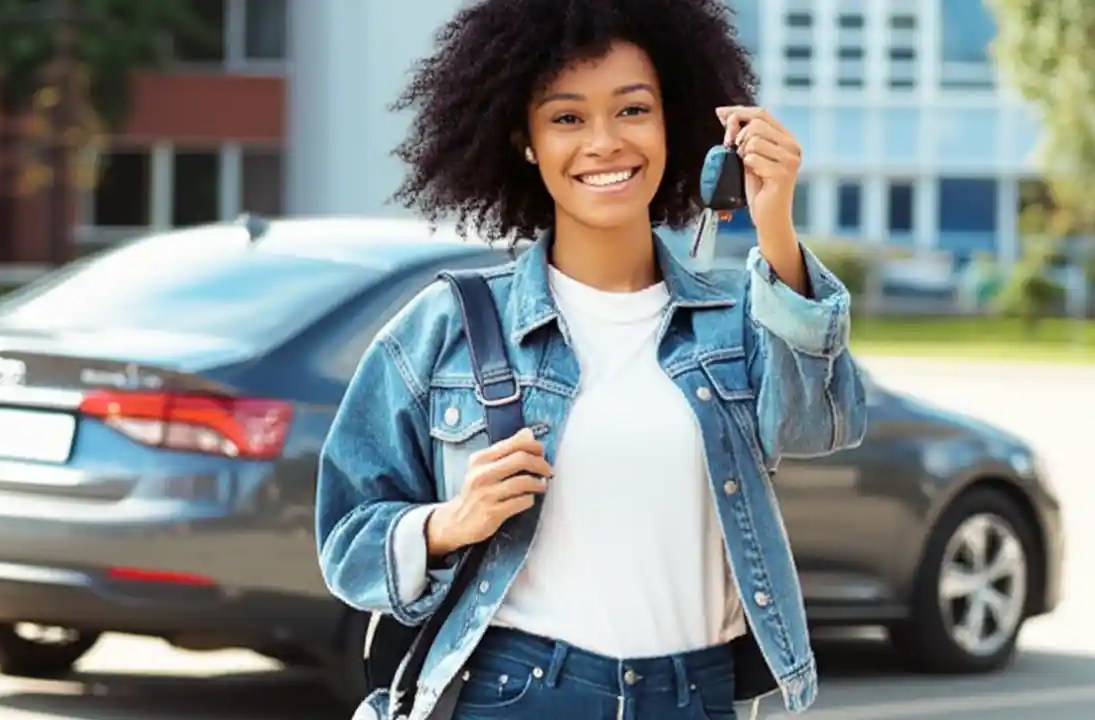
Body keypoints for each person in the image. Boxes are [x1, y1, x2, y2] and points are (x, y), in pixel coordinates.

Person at [316, 1, 867, 718]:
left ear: (675, 122)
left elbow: (821, 424)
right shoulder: (445, 327)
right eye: (568, 118)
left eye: (633, 109)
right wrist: (450, 523)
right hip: (517, 693)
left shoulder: (738, 319)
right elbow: (346, 540)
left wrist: (776, 230)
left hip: (696, 697)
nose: (605, 142)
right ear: (526, 141)